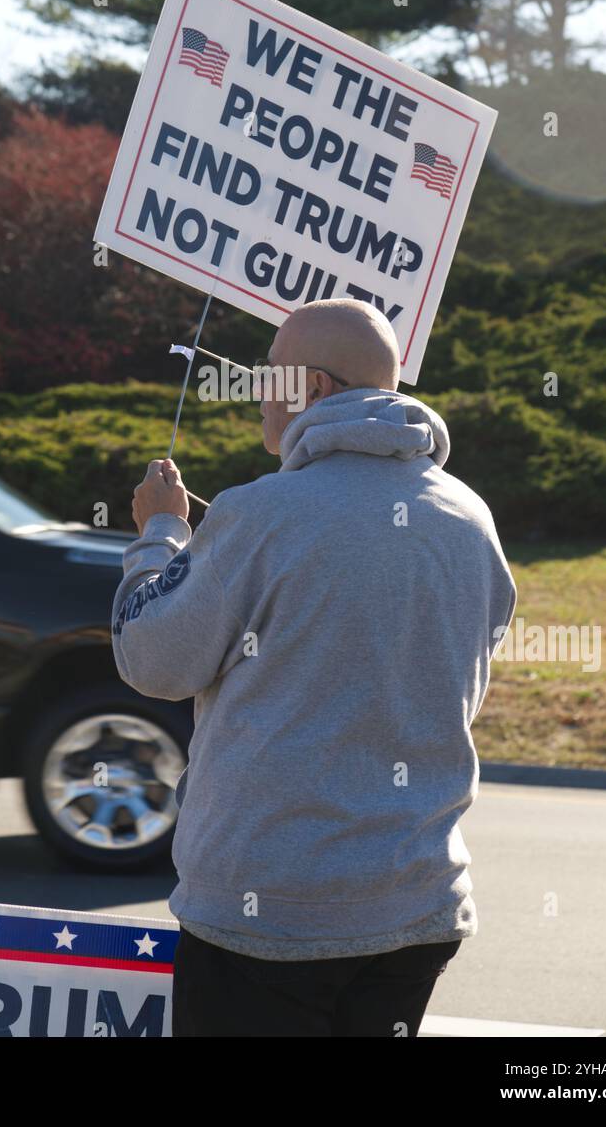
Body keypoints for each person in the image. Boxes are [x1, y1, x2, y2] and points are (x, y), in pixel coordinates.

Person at [111, 297, 517, 1037]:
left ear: (316, 391)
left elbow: (152, 660)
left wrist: (160, 534)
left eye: (270, 379)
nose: (259, 397)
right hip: (416, 910)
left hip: (268, 915)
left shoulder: (260, 516)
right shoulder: (470, 517)